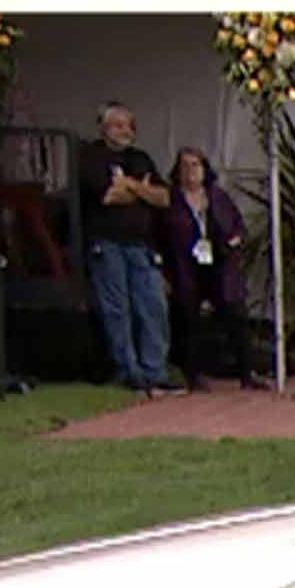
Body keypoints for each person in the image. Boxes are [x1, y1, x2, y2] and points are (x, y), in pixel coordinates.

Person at [77, 103, 176, 396]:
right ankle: (128, 370)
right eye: (119, 125)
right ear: (104, 128)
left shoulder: (140, 158)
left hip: (141, 245)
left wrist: (129, 185)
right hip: (107, 244)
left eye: (129, 125)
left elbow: (163, 198)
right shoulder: (91, 156)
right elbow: (107, 196)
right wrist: (140, 191)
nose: (126, 131)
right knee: (118, 309)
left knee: (153, 306)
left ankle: (155, 371)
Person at [158, 147, 257, 392]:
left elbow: (237, 225)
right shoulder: (171, 200)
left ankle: (247, 373)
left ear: (205, 169)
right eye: (185, 166)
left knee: (235, 314)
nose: (190, 170)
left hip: (218, 264)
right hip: (184, 266)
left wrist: (234, 241)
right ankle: (193, 375)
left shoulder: (217, 196)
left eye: (195, 165)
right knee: (188, 320)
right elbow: (159, 236)